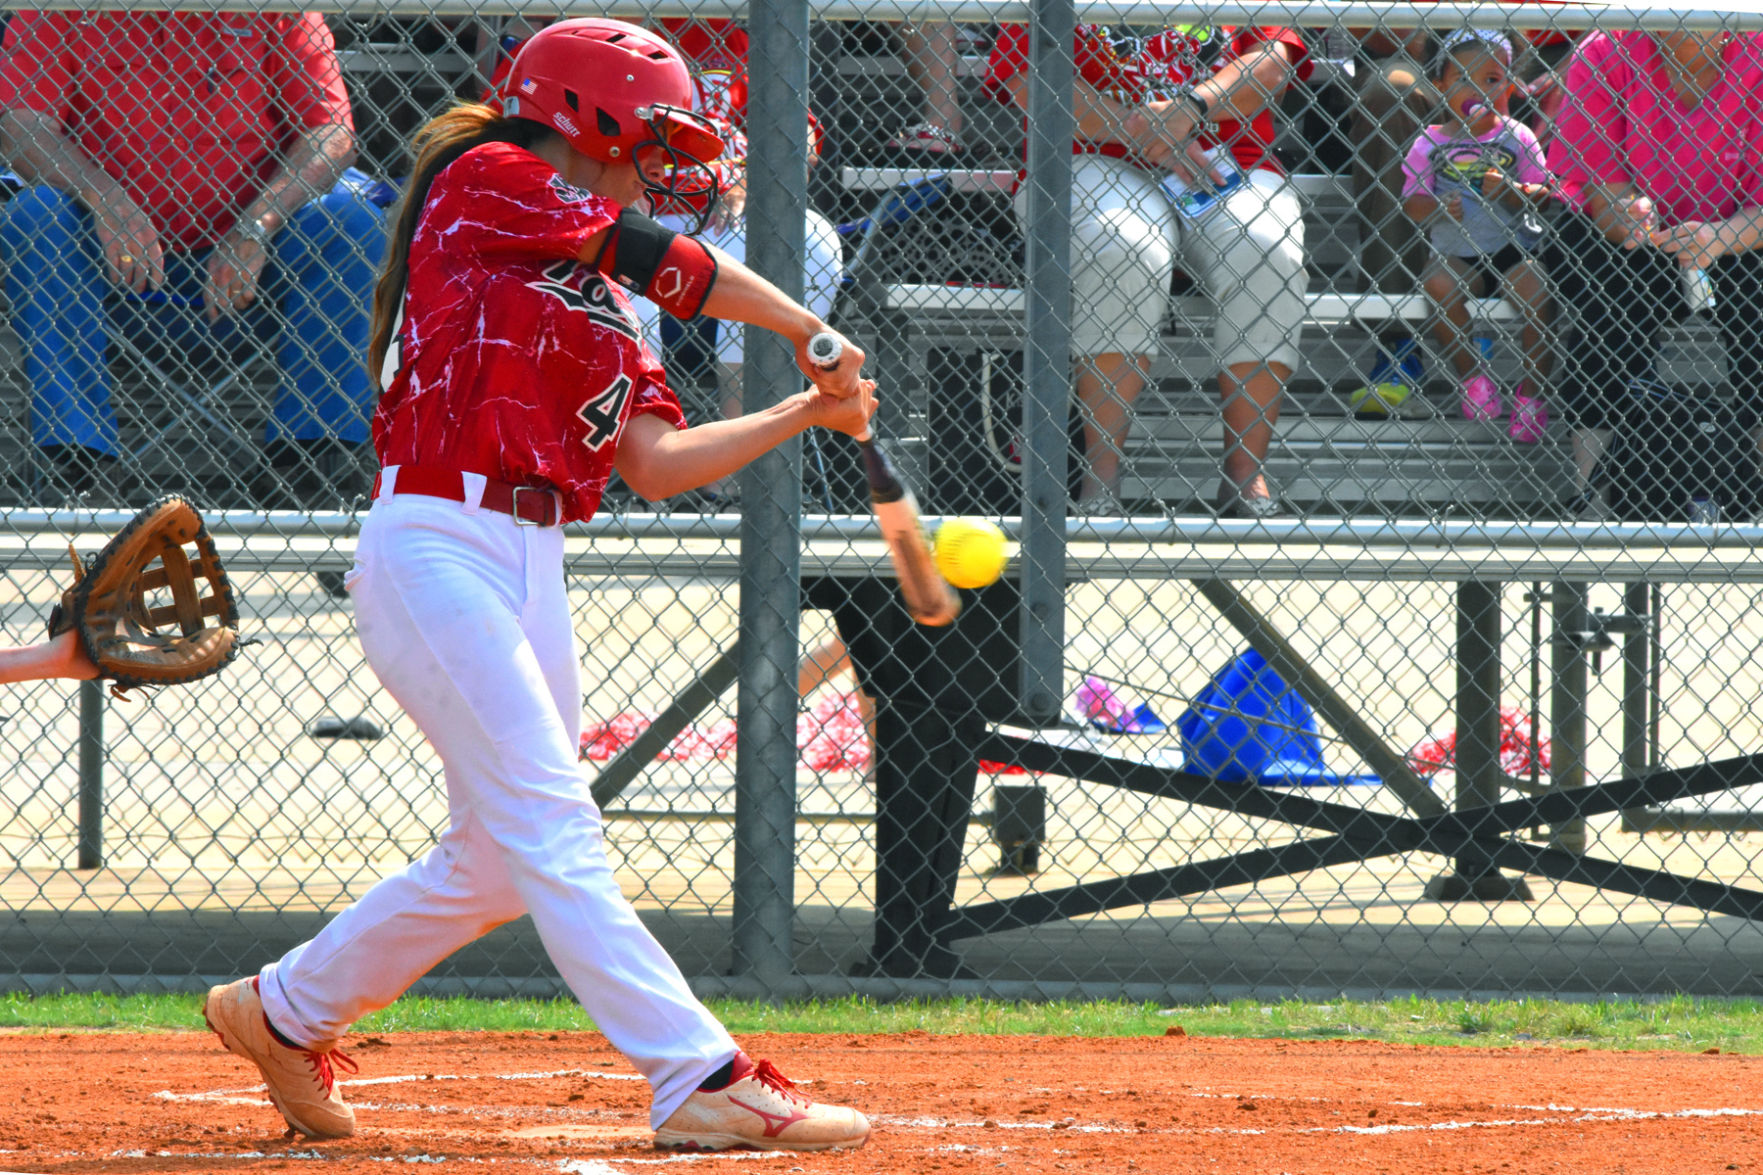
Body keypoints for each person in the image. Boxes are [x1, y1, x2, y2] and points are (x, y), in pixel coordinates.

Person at [199, 19, 874, 1152]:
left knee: (498, 861)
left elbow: (656, 463)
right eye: (653, 134)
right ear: (584, 116)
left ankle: (277, 1010)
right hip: (434, 540)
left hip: (528, 557)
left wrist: (807, 408)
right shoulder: (491, 176)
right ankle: (695, 1071)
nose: (669, 159)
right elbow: (677, 264)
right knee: (553, 819)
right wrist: (809, 330)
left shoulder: (606, 300)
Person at [0, 11, 388, 504]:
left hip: (254, 272)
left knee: (350, 221)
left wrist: (257, 225)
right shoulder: (62, 8)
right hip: (107, 269)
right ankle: (77, 464)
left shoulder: (277, 7)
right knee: (36, 216)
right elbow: (23, 129)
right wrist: (106, 200)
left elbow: (331, 133)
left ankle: (313, 464)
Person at [985, 22, 1312, 516]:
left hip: (1225, 153)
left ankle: (1245, 476)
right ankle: (1102, 476)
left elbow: (1272, 64)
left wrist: (1188, 111)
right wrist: (1145, 129)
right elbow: (1030, 78)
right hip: (1089, 151)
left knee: (1266, 248)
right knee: (1123, 247)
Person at [1544, 26, 1763, 515]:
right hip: (1634, 241)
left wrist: (1716, 240)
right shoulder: (1604, 51)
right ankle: (1592, 495)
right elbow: (1603, 192)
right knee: (1604, 310)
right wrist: (1629, 215)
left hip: (1739, 234)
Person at [635, 18, 845, 506]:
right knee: (616, 267)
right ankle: (649, 470)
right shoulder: (618, 25)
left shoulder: (741, 35)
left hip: (728, 215)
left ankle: (733, 477)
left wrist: (747, 186)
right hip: (635, 216)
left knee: (812, 241)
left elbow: (801, 137)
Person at [1400, 29, 1555, 442]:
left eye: (1491, 79)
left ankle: (1531, 394)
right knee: (1437, 285)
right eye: (1463, 79)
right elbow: (1411, 205)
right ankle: (1472, 377)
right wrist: (1436, 207)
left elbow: (1544, 194)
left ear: (1508, 83)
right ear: (1440, 86)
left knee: (1540, 295)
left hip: (1512, 250)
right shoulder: (1428, 143)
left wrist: (1514, 192)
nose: (1478, 91)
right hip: (1457, 254)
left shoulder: (1518, 136)